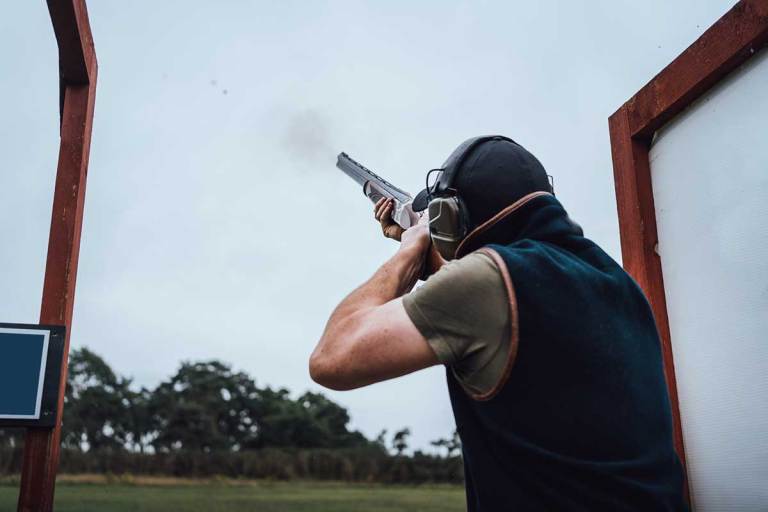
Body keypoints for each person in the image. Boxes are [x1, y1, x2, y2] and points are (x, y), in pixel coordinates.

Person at [309, 135, 687, 510]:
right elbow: (492, 297)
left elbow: (332, 357)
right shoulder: (616, 284)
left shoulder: (487, 283)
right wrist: (429, 255)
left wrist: (411, 250)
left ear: (450, 216)